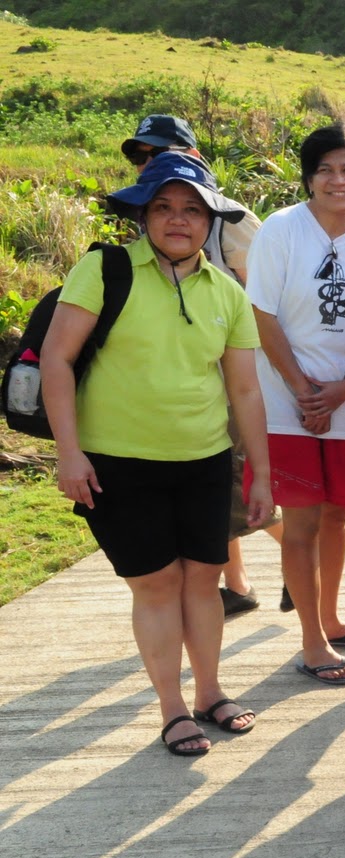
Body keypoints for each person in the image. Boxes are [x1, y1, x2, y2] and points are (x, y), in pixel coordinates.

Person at [41, 152, 268, 755]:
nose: (178, 220)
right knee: (158, 584)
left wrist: (262, 474)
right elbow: (58, 361)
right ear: (142, 213)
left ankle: (211, 691)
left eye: (192, 209)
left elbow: (244, 388)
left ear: (211, 220)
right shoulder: (104, 269)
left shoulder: (227, 291)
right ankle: (172, 707)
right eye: (163, 207)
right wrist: (69, 454)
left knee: (205, 578)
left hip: (204, 459)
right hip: (117, 460)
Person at [246, 122, 345, 686]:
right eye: (326, 169)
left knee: (339, 515)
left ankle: (330, 616)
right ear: (308, 178)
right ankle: (311, 642)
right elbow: (263, 316)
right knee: (302, 522)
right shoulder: (282, 230)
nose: (339, 179)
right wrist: (304, 390)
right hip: (286, 405)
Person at [120, 112, 280, 617]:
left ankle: (304, 554)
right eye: (143, 158)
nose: (150, 163)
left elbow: (259, 299)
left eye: (157, 152)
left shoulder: (229, 219)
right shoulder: (153, 219)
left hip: (225, 376)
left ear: (191, 154)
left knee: (230, 482)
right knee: (215, 493)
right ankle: (236, 583)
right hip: (177, 383)